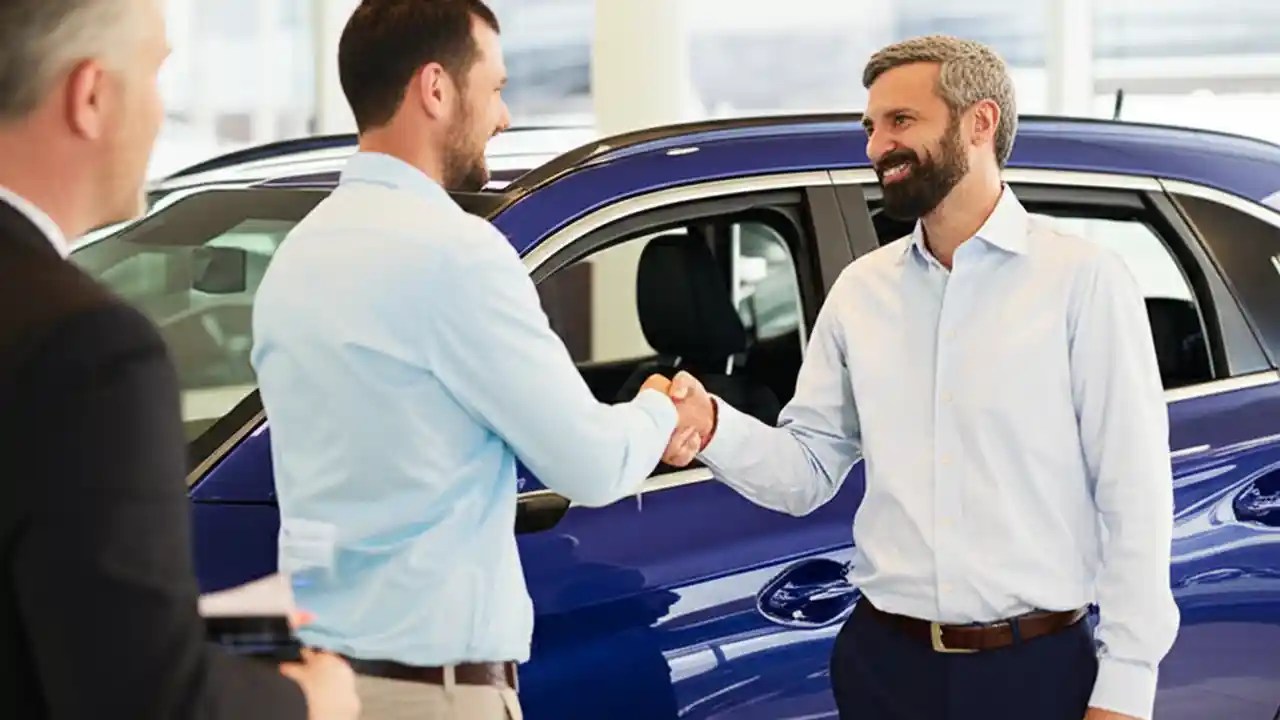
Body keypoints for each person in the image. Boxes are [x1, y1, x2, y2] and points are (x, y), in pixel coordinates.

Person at [655, 35, 1179, 720]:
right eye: (871, 127)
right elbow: (808, 467)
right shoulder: (859, 292)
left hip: (1036, 673)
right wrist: (712, 427)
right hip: (884, 667)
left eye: (901, 122)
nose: (877, 147)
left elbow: (1135, 495)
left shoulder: (1081, 281)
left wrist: (1127, 685)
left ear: (979, 123)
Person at [249, 1, 702, 717]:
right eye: (494, 88)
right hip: (434, 694)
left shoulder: (298, 256)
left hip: (325, 685)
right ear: (435, 88)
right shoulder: (453, 253)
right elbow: (590, 464)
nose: (505, 115)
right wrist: (661, 408)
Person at [0, 1, 360, 718]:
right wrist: (308, 702)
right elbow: (142, 698)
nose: (163, 111)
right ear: (92, 95)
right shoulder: (91, 351)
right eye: (157, 74)